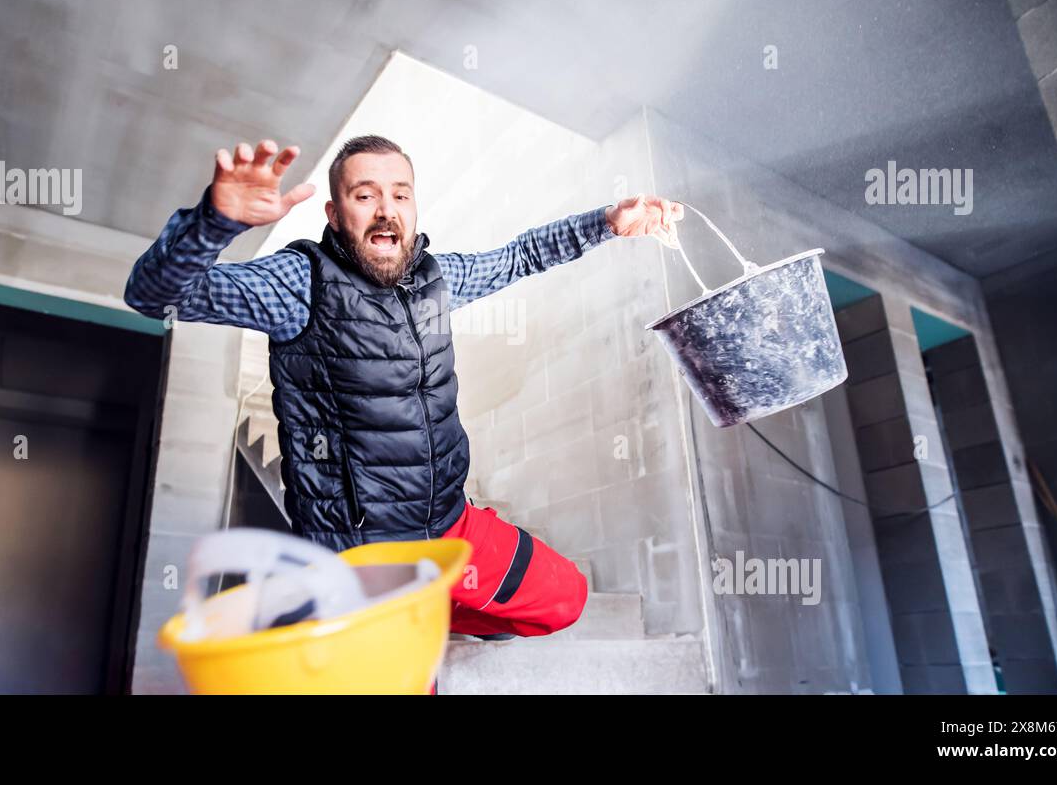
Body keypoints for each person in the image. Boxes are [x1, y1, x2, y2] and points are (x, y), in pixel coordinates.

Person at [125, 134, 684, 640]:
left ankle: (432, 602)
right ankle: (391, 616)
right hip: (364, 560)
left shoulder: (437, 280)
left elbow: (521, 255)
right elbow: (158, 296)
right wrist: (212, 224)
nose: (386, 210)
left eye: (401, 194)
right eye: (365, 195)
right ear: (335, 212)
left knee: (564, 600)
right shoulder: (300, 284)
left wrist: (608, 222)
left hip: (450, 525)